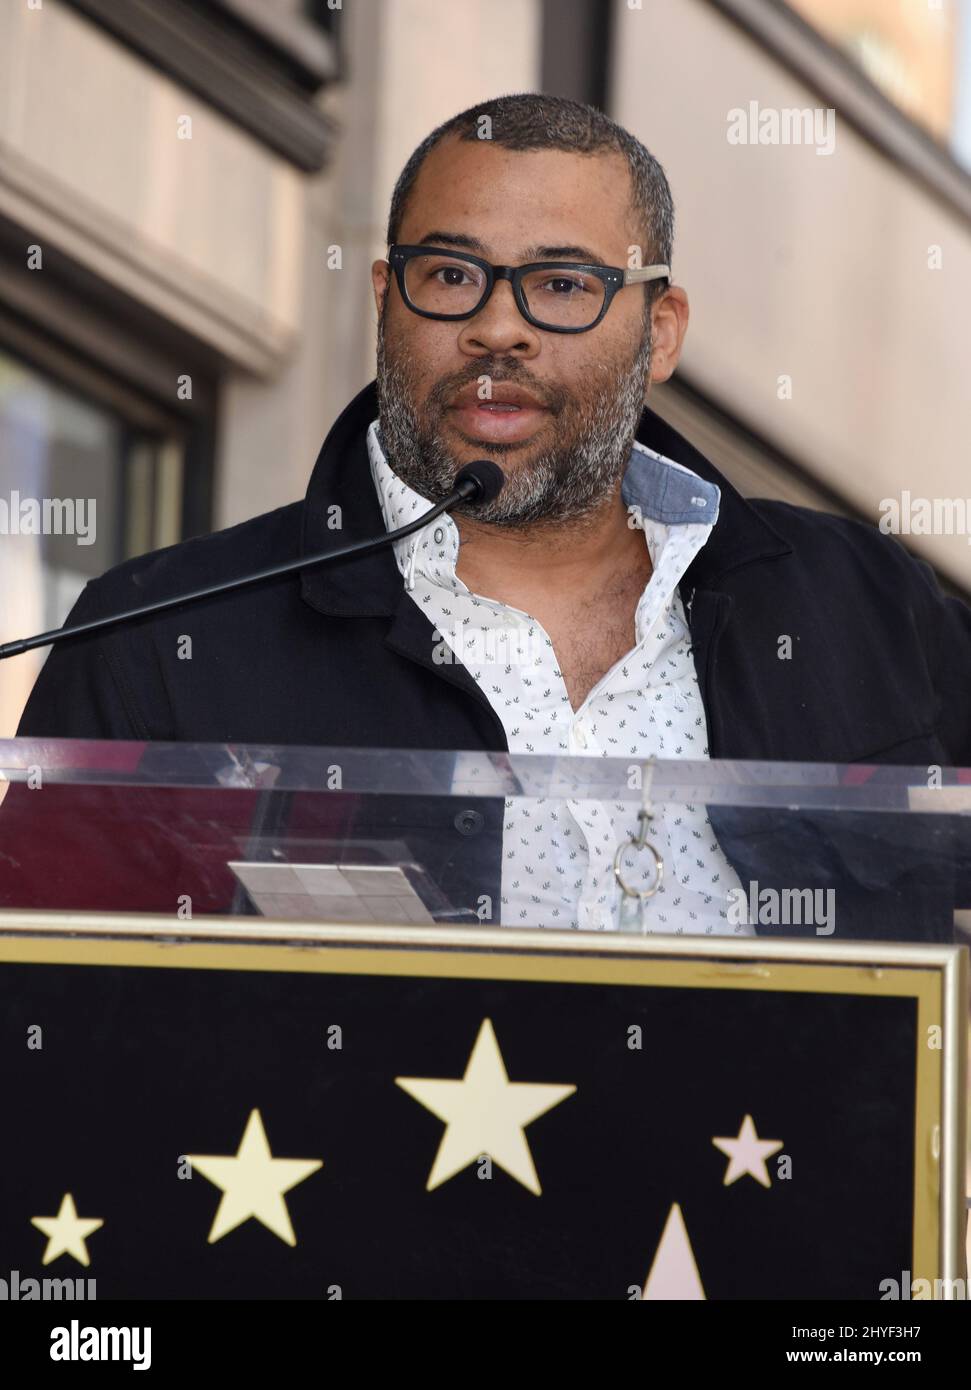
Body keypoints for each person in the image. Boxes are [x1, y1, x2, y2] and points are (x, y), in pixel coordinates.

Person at [15, 93, 971, 939]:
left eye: (562, 285)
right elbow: (60, 1038)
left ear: (660, 332)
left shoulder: (866, 606)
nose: (498, 327)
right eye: (450, 274)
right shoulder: (155, 639)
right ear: (386, 303)